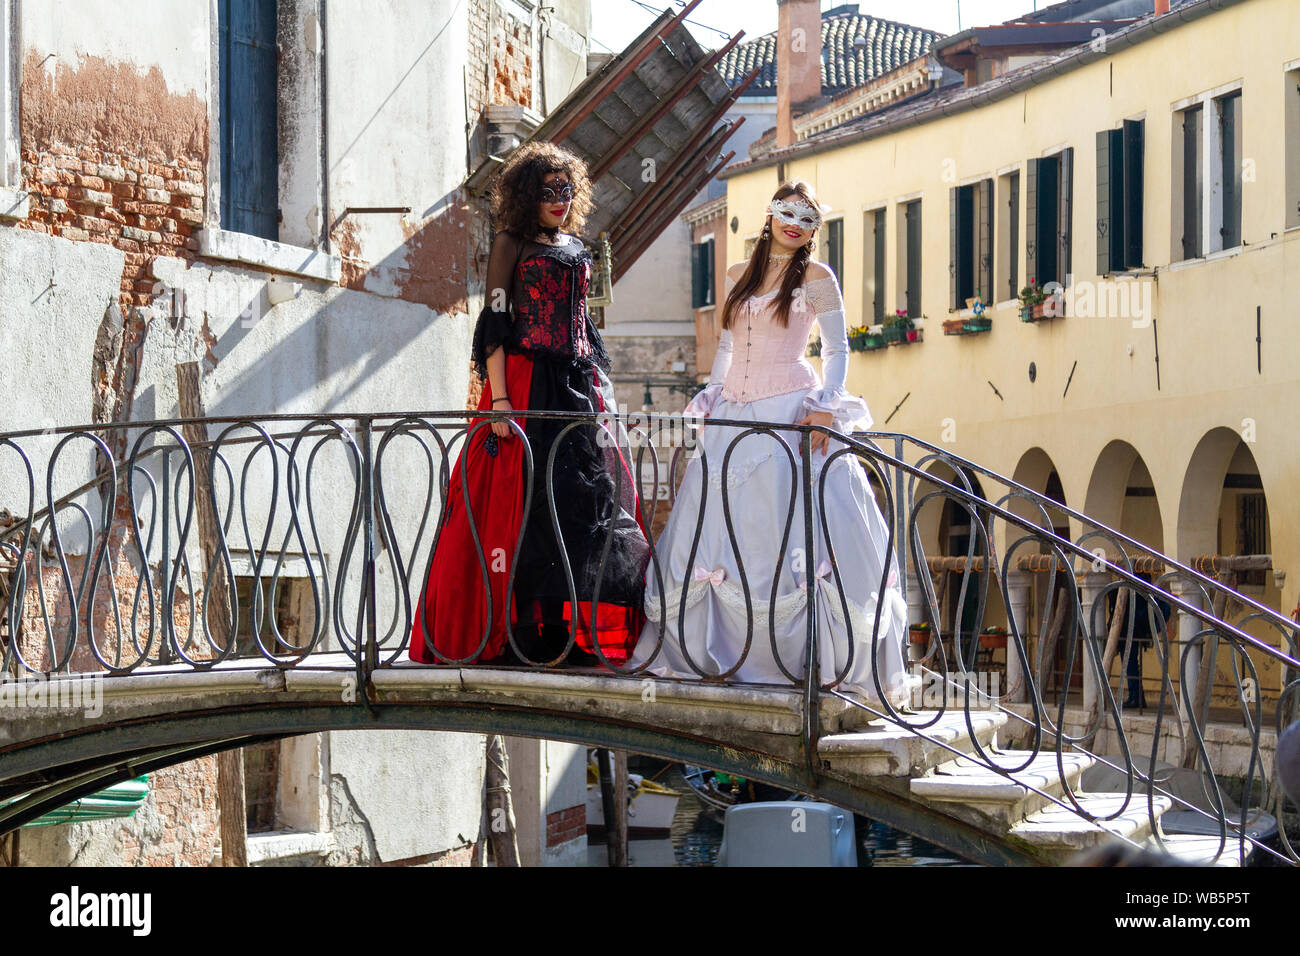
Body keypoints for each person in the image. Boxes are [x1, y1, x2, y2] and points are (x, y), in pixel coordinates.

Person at [627, 181, 913, 708]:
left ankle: (800, 660)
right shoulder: (738, 275)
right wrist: (712, 395)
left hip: (789, 410)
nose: (796, 224)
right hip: (732, 414)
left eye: (808, 219)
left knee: (785, 529)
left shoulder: (817, 277)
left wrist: (827, 404)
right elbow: (729, 344)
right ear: (770, 215)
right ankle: (717, 655)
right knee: (726, 531)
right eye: (788, 213)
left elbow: (837, 346)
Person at [409, 142, 648, 667]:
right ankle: (525, 629)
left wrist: (601, 389)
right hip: (524, 383)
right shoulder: (509, 243)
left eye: (566, 190)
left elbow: (583, 325)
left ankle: (572, 629)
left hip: (576, 387)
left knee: (580, 503)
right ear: (527, 195)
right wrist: (498, 401)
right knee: (526, 504)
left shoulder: (576, 245)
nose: (560, 200)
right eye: (548, 192)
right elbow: (494, 325)